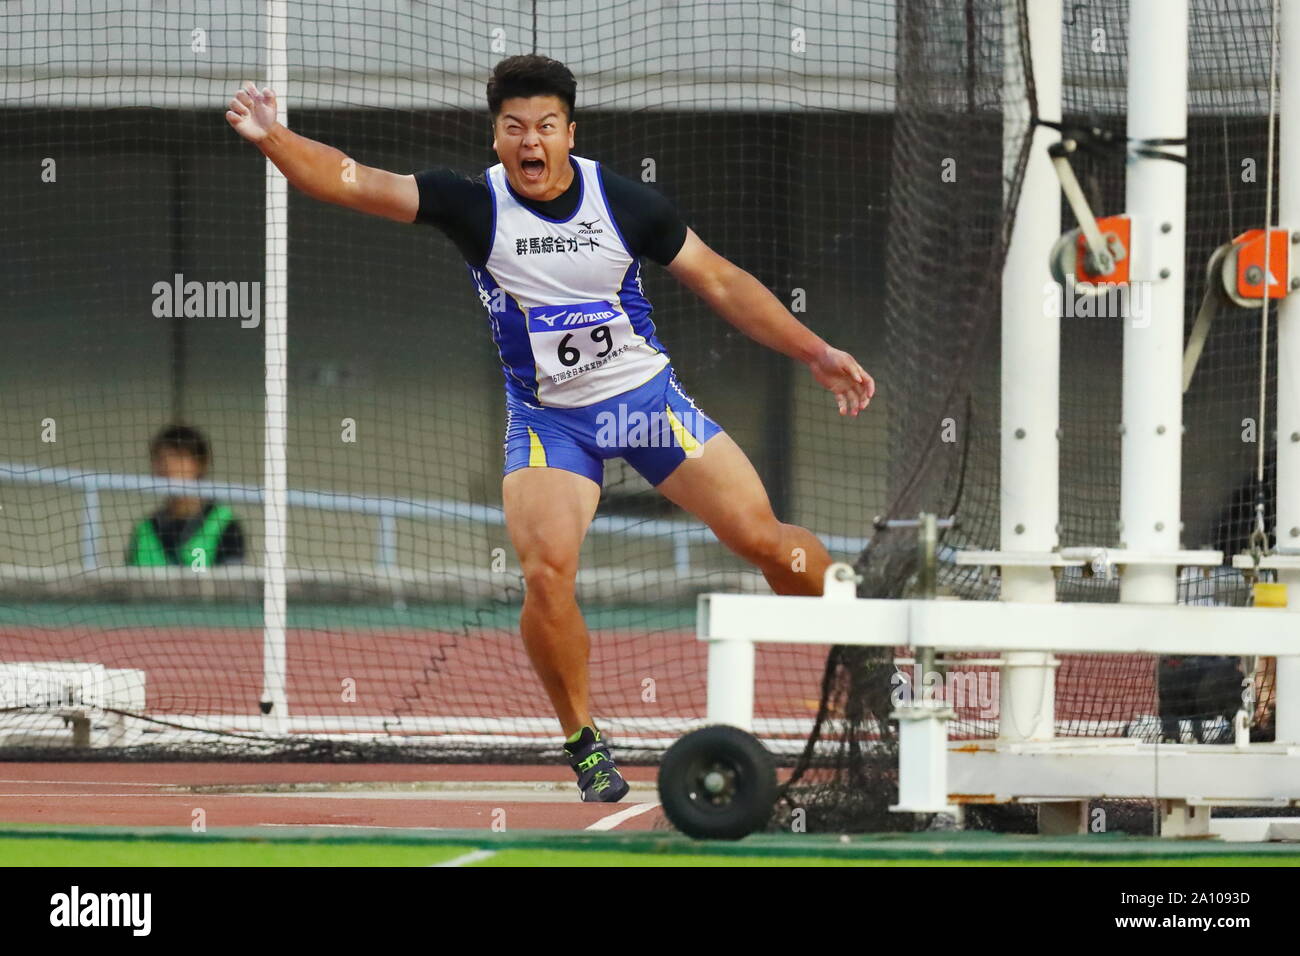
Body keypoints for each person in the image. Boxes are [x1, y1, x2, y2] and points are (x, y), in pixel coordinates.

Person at [226, 54, 873, 802]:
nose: (530, 143)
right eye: (514, 129)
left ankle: (869, 648)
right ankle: (584, 741)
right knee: (544, 570)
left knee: (763, 540)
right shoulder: (472, 205)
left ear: (570, 132)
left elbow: (724, 281)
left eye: (545, 127)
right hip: (549, 422)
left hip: (644, 403)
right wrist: (275, 137)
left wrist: (817, 352)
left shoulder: (626, 205)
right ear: (496, 137)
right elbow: (348, 178)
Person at [126, 424, 245, 568]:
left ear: (201, 463)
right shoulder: (144, 530)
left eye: (179, 457)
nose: (169, 465)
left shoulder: (224, 524)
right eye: (161, 458)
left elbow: (234, 585)